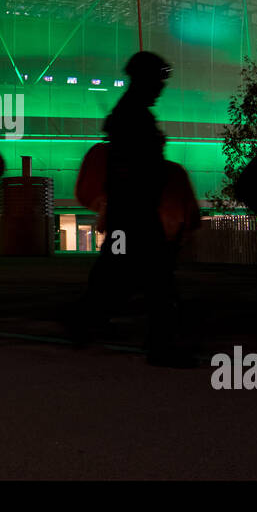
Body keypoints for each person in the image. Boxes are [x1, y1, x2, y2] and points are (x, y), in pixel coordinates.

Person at [68, 52, 196, 367]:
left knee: (118, 273)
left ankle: (84, 324)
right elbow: (136, 169)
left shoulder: (130, 114)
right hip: (136, 213)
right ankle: (158, 346)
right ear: (145, 79)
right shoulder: (134, 117)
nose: (161, 88)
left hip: (131, 213)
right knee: (155, 278)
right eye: (158, 81)